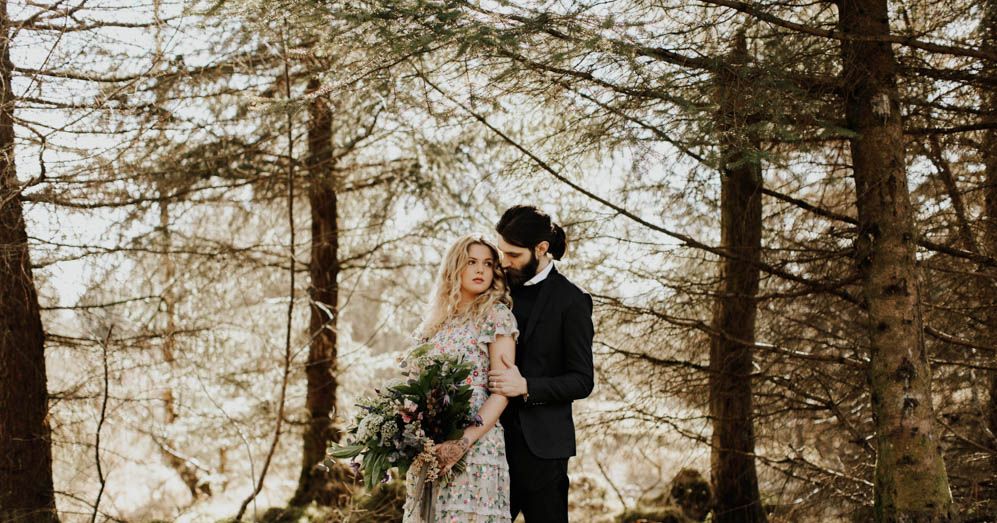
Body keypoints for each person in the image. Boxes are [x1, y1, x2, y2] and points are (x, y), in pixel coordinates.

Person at [488, 205, 595, 522]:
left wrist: (526, 386)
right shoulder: (495, 290)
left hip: (544, 453)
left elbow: (581, 380)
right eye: (502, 252)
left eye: (514, 255)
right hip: (489, 446)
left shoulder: (572, 301)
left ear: (542, 249)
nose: (504, 262)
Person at [402, 234, 518, 523]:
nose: (481, 270)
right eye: (471, 262)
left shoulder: (496, 316)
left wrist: (462, 443)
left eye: (488, 264)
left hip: (477, 443)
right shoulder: (434, 324)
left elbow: (501, 391)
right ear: (455, 268)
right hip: (432, 446)